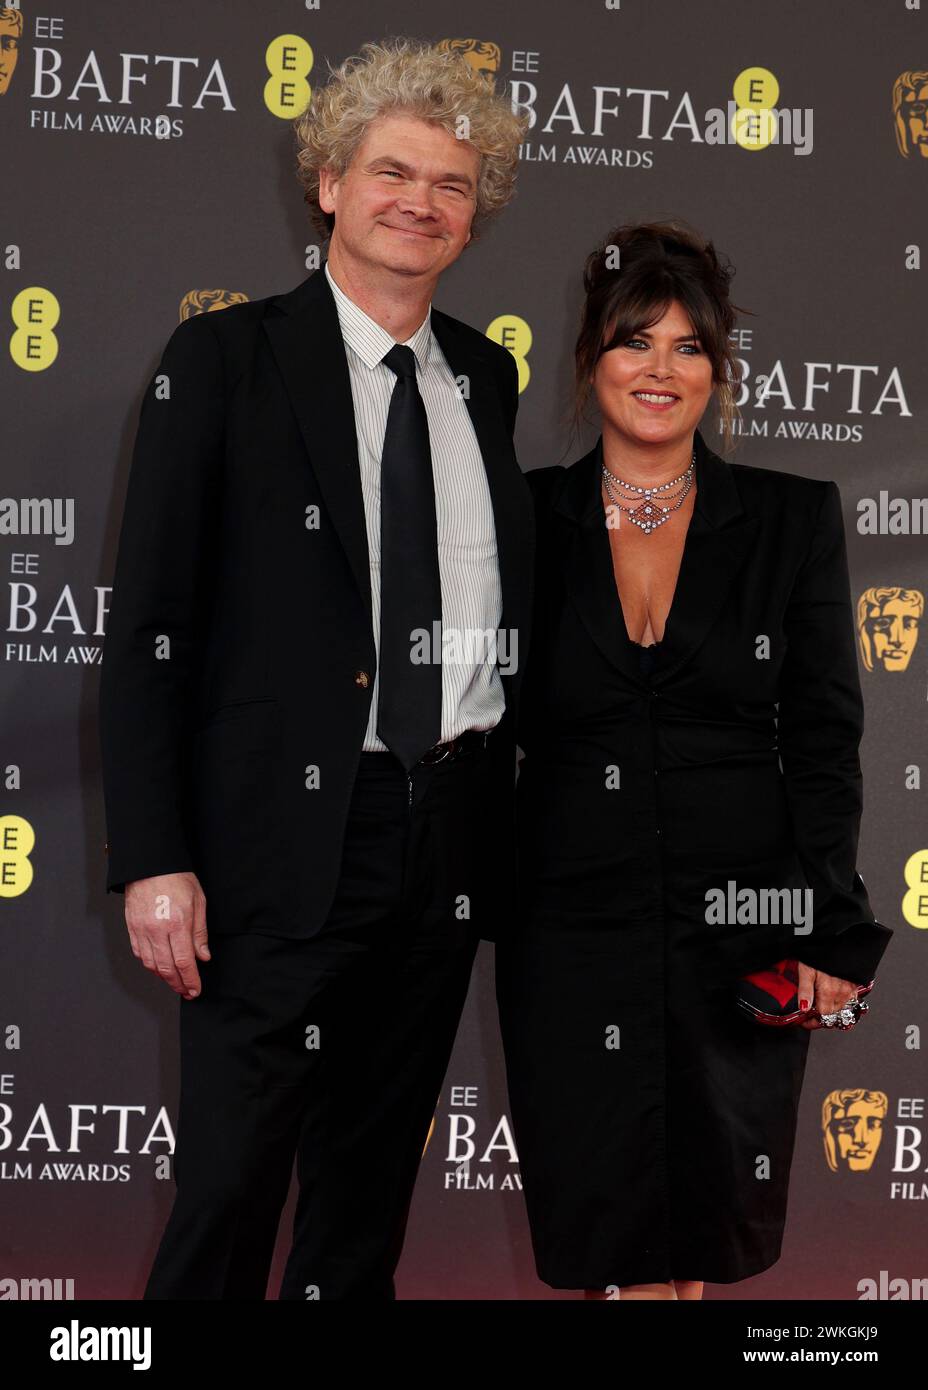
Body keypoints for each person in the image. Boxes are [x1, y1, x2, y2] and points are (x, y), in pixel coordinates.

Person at [98, 38, 531, 1300]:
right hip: (271, 849)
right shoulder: (225, 361)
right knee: (231, 1187)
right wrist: (152, 856)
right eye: (392, 172)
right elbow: (149, 632)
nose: (421, 202)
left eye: (452, 185)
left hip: (440, 834)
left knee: (366, 1195)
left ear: (474, 214)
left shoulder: (484, 379)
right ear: (329, 183)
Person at [495, 221, 893, 1302]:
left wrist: (822, 922)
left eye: (687, 347)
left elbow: (822, 738)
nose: (659, 370)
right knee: (601, 1225)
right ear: (590, 360)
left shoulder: (788, 518)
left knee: (702, 1229)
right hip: (569, 925)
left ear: (717, 371)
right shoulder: (522, 520)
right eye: (635, 342)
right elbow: (479, 726)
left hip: (740, 920)